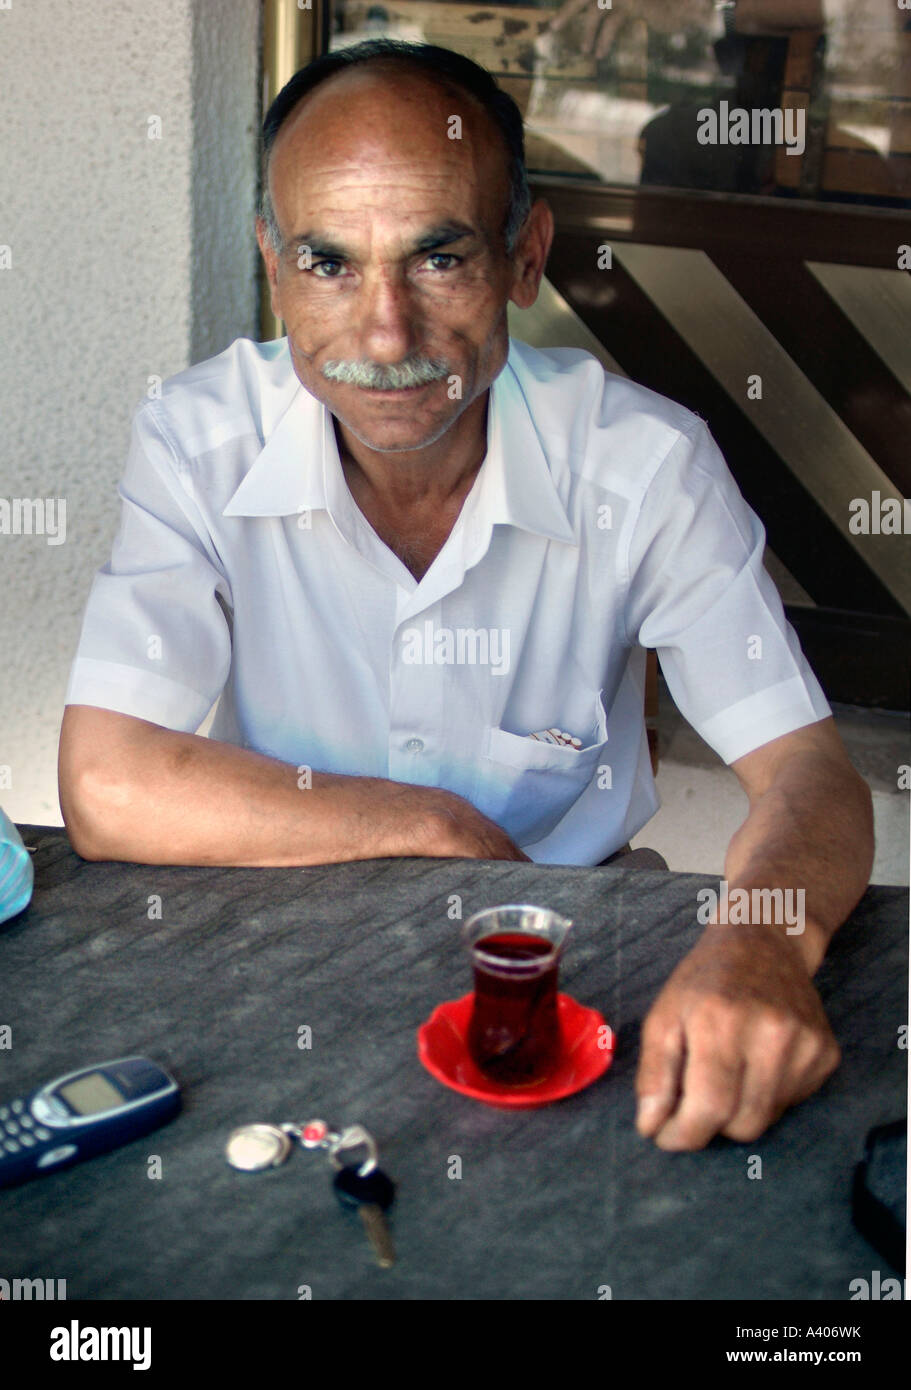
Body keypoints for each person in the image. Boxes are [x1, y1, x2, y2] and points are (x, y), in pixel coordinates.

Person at [58, 41, 873, 1152]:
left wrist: (762, 944)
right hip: (272, 929)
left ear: (523, 257)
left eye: (437, 258)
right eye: (328, 263)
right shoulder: (196, 441)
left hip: (564, 952)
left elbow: (806, 773)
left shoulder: (640, 465)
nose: (383, 334)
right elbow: (108, 781)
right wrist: (429, 823)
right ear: (271, 266)